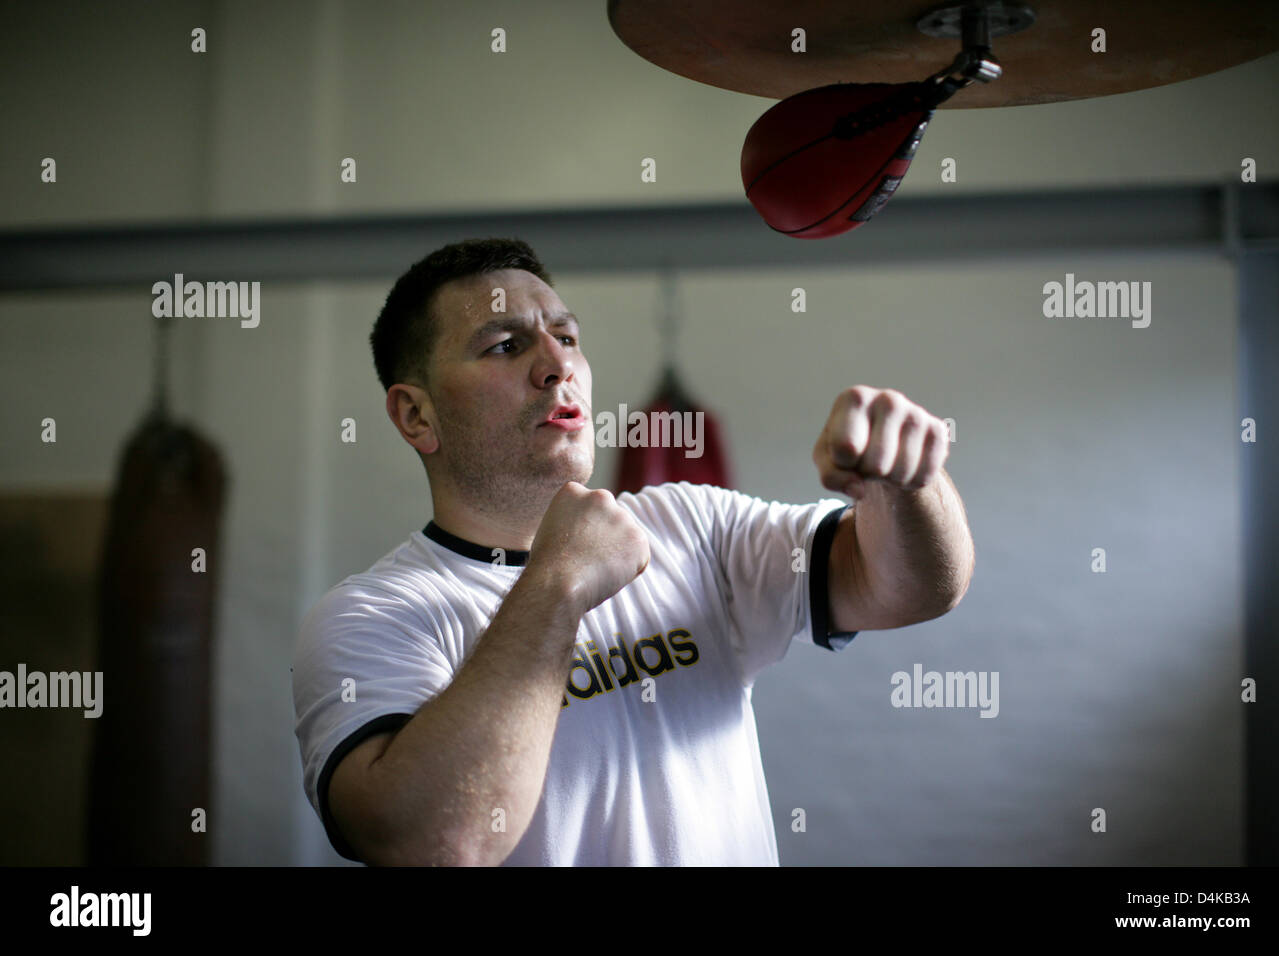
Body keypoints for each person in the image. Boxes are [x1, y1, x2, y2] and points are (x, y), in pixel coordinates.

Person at [292, 238, 975, 866]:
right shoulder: (373, 617)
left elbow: (914, 588)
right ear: (417, 415)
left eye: (566, 336)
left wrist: (910, 483)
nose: (558, 363)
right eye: (504, 345)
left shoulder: (689, 525)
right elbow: (433, 840)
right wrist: (559, 581)